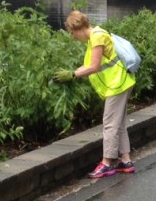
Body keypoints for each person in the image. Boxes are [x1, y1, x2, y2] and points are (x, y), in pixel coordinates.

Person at [54, 10, 138, 179]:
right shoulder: (96, 37)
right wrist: (73, 72)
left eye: (72, 33)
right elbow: (92, 66)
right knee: (118, 123)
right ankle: (126, 161)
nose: (73, 37)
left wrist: (72, 74)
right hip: (120, 83)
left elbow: (93, 66)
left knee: (109, 124)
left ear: (78, 28)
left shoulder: (97, 37)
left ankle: (107, 163)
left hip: (117, 84)